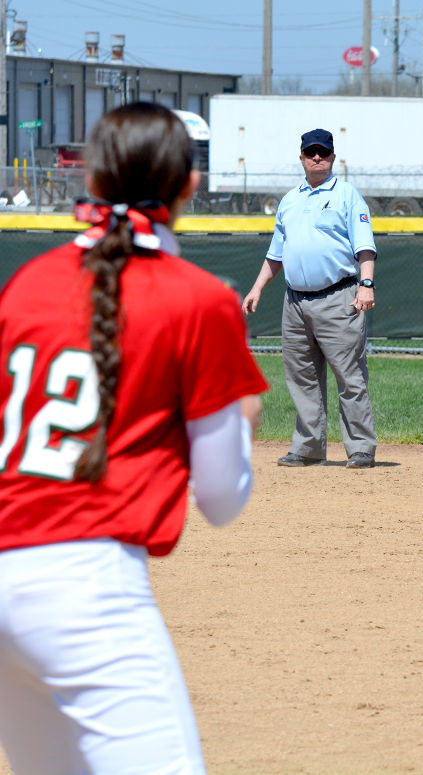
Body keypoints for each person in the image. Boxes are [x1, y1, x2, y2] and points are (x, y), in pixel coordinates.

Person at [0, 102, 269, 773]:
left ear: (91, 181)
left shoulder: (27, 283)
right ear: (190, 187)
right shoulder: (198, 297)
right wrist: (240, 418)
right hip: (86, 588)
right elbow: (221, 498)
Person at [242, 128, 379, 469]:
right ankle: (308, 447)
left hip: (339, 297)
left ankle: (361, 447)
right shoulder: (289, 201)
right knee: (301, 377)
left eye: (323, 152)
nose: (317, 157)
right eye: (310, 152)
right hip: (296, 303)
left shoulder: (348, 195)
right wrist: (258, 287)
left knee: (349, 376)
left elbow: (365, 246)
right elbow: (276, 254)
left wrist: (366, 284)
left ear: (333, 157)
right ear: (301, 157)